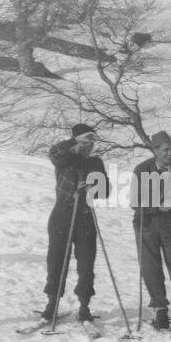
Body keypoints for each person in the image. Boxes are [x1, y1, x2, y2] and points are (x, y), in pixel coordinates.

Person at [40, 123, 110, 323]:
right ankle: (52, 303)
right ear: (77, 140)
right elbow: (54, 152)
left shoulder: (95, 162)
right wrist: (74, 144)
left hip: (85, 216)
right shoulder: (65, 159)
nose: (91, 144)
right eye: (88, 139)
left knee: (86, 263)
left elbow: (105, 192)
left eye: (93, 141)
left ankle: (84, 306)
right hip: (62, 214)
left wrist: (91, 187)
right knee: (56, 260)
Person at [129, 130, 171, 331]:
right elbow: (134, 202)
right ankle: (160, 311)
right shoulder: (142, 169)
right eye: (165, 150)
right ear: (154, 150)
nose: (170, 153)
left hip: (169, 223)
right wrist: (158, 206)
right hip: (145, 224)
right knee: (151, 268)